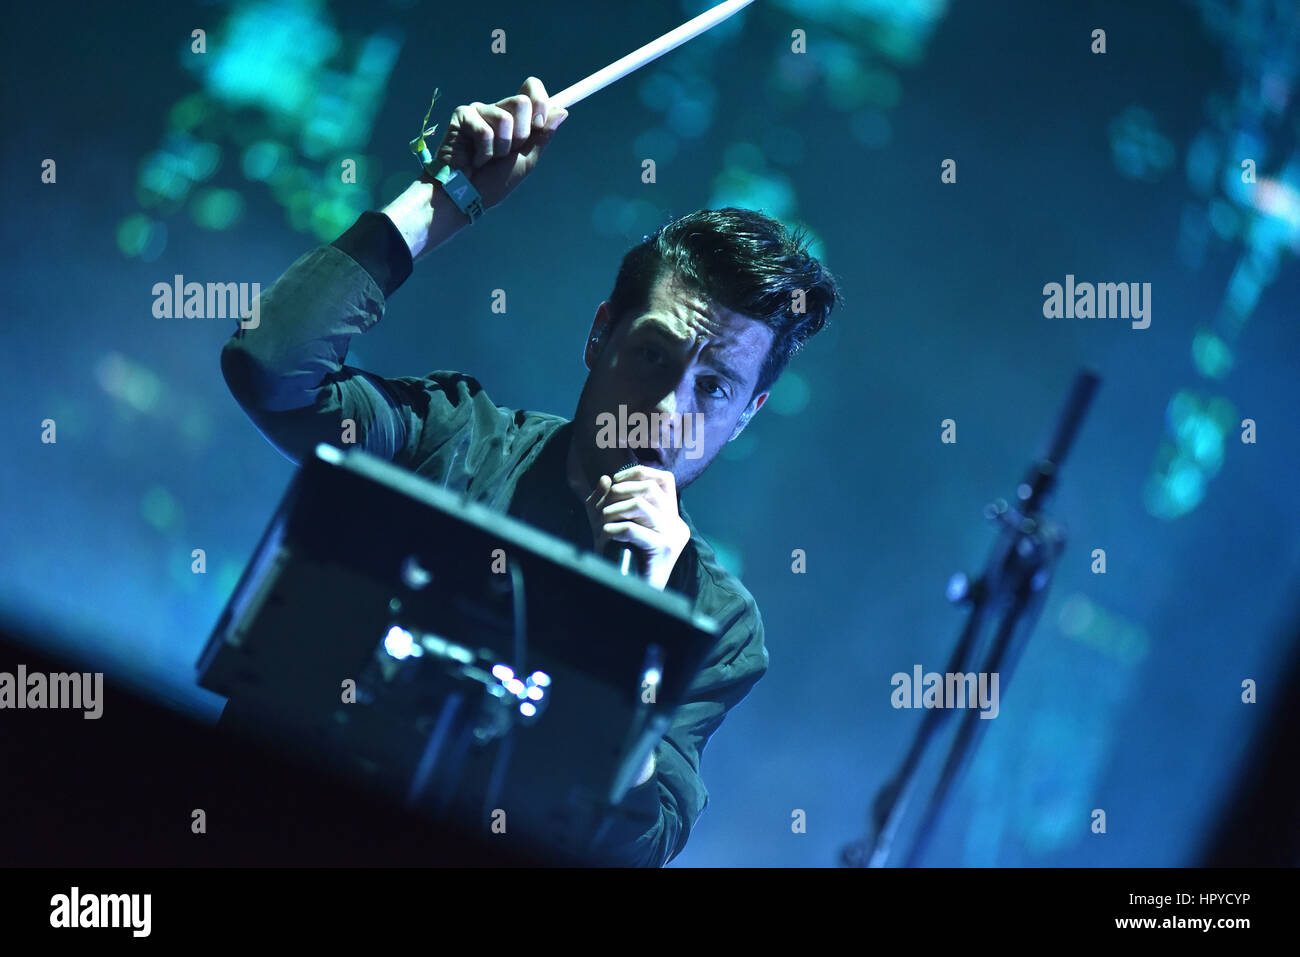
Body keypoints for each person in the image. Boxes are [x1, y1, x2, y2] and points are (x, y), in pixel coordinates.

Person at [219, 77, 842, 866]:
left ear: (749, 414)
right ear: (600, 335)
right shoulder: (452, 438)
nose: (665, 406)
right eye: (652, 354)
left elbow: (632, 846)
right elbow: (270, 366)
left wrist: (638, 618)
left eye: (714, 387)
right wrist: (439, 199)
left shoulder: (718, 621)